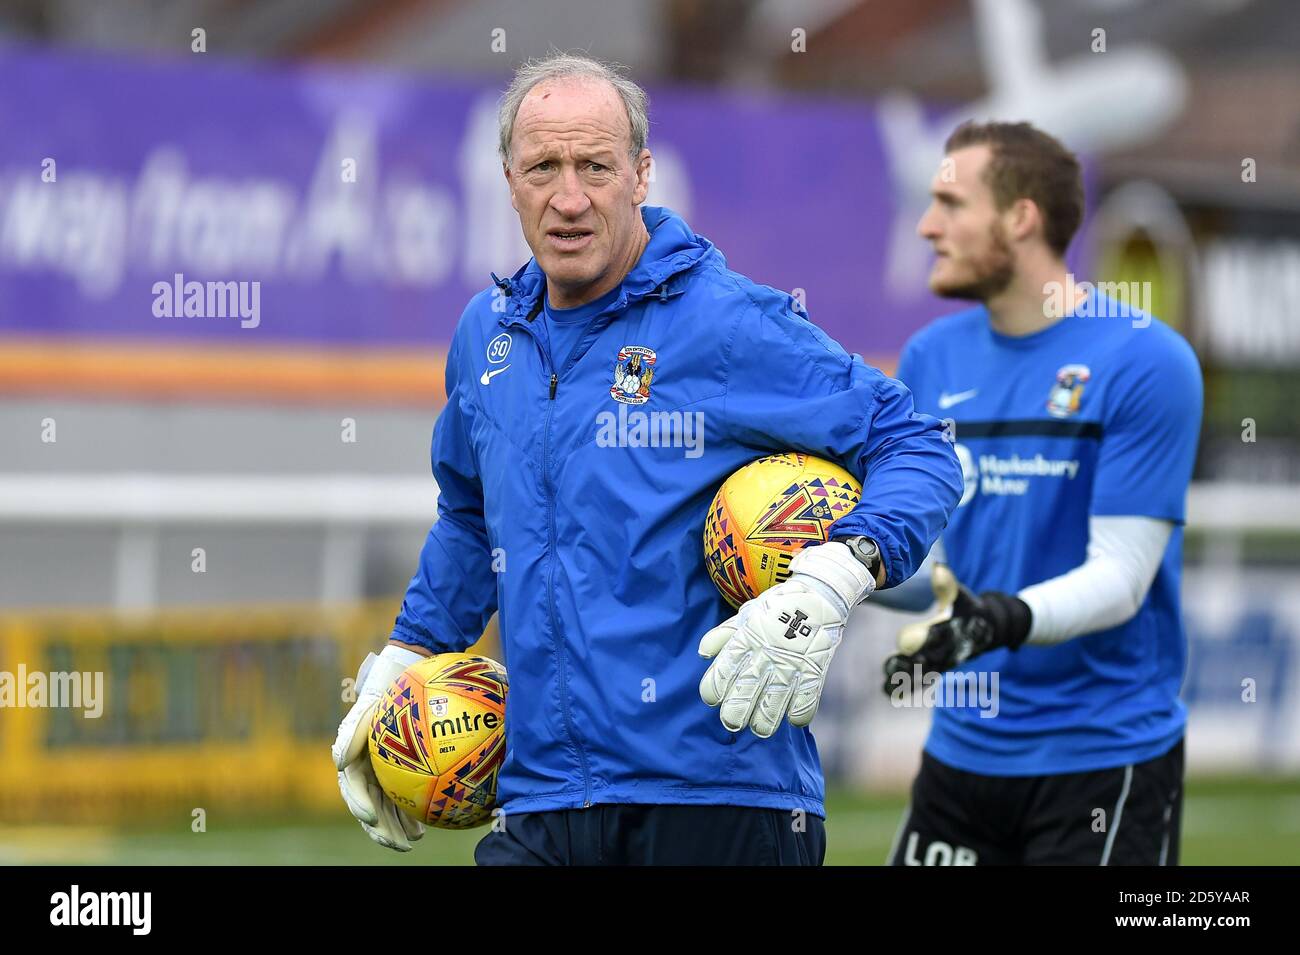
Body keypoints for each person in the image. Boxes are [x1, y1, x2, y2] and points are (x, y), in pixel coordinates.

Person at [332, 52, 963, 866]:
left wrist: (833, 579)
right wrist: (406, 658)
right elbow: (468, 518)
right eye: (543, 168)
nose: (569, 198)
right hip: (540, 804)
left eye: (595, 167)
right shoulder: (484, 337)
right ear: (507, 178)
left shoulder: (726, 323)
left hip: (721, 801)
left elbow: (917, 445)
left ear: (641, 174)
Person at [879, 120, 1202, 865]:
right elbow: (930, 566)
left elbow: (1121, 578)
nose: (927, 225)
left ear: (1021, 217)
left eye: (950, 203)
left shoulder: (1147, 360)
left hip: (1103, 759)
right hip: (962, 755)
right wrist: (820, 564)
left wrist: (1001, 619)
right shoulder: (930, 358)